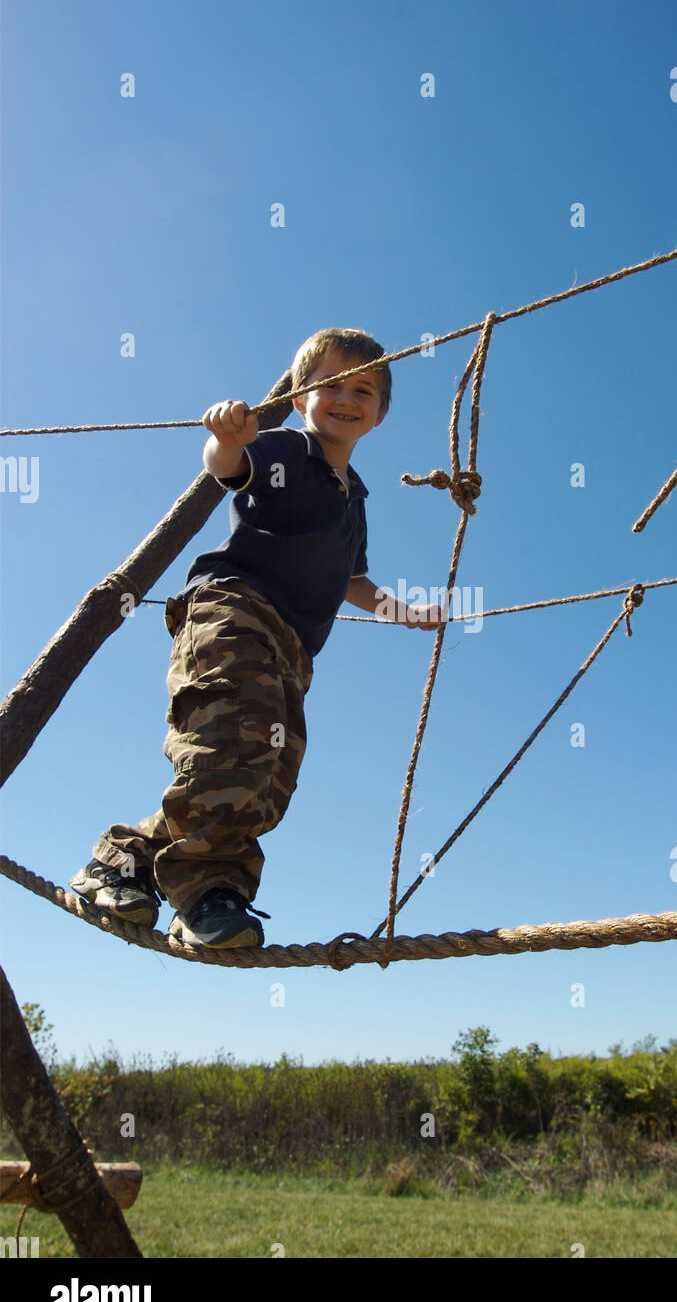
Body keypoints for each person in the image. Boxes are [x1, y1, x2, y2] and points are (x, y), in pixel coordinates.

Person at [70, 328, 442, 948]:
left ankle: (125, 861)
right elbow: (230, 470)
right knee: (233, 744)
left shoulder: (355, 498)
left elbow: (354, 581)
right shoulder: (286, 451)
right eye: (330, 386)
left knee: (265, 773)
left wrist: (406, 611)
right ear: (300, 397)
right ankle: (207, 890)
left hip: (293, 650)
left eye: (363, 389)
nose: (346, 399)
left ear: (379, 415)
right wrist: (226, 441)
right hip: (233, 610)